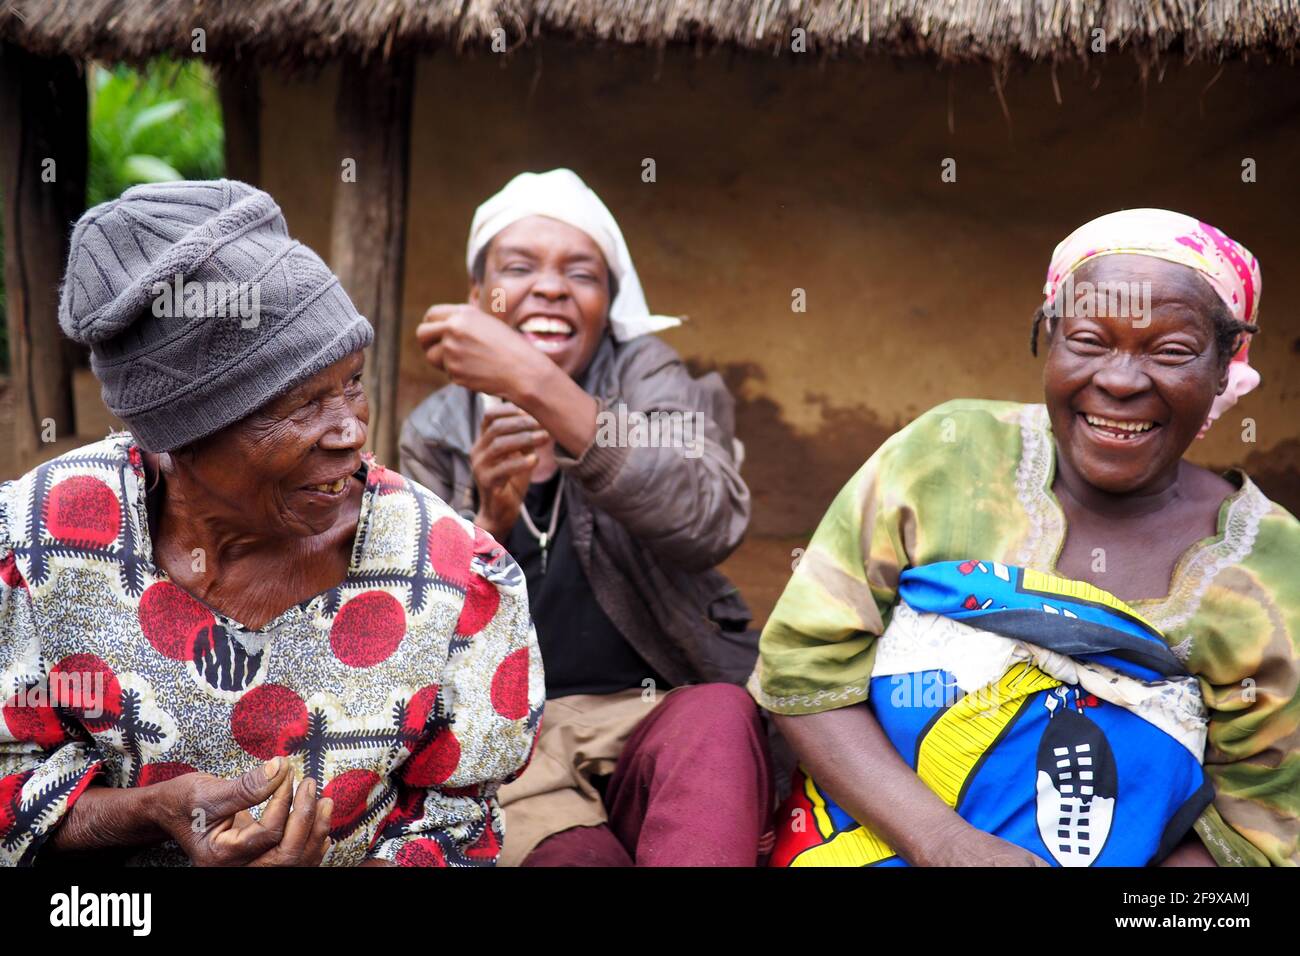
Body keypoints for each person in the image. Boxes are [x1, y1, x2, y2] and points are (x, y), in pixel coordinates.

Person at [0, 180, 542, 867]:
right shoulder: (46, 543)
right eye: (301, 404)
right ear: (178, 437)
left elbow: (458, 831)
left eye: (351, 381)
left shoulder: (449, 580)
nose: (350, 430)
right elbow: (9, 786)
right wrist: (147, 813)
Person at [751, 209, 1298, 867]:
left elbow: (1258, 829)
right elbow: (801, 674)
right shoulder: (944, 458)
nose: (1120, 380)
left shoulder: (1273, 568)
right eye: (1090, 339)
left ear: (1224, 370)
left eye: (1172, 350)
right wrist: (946, 845)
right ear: (1049, 338)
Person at [400, 169, 773, 866]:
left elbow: (711, 515)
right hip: (520, 743)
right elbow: (418, 637)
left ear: (609, 302)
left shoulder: (648, 377)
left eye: (582, 272)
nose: (550, 286)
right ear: (478, 299)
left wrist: (537, 384)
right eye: (519, 269)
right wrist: (490, 524)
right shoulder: (436, 430)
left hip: (656, 711)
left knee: (722, 716)